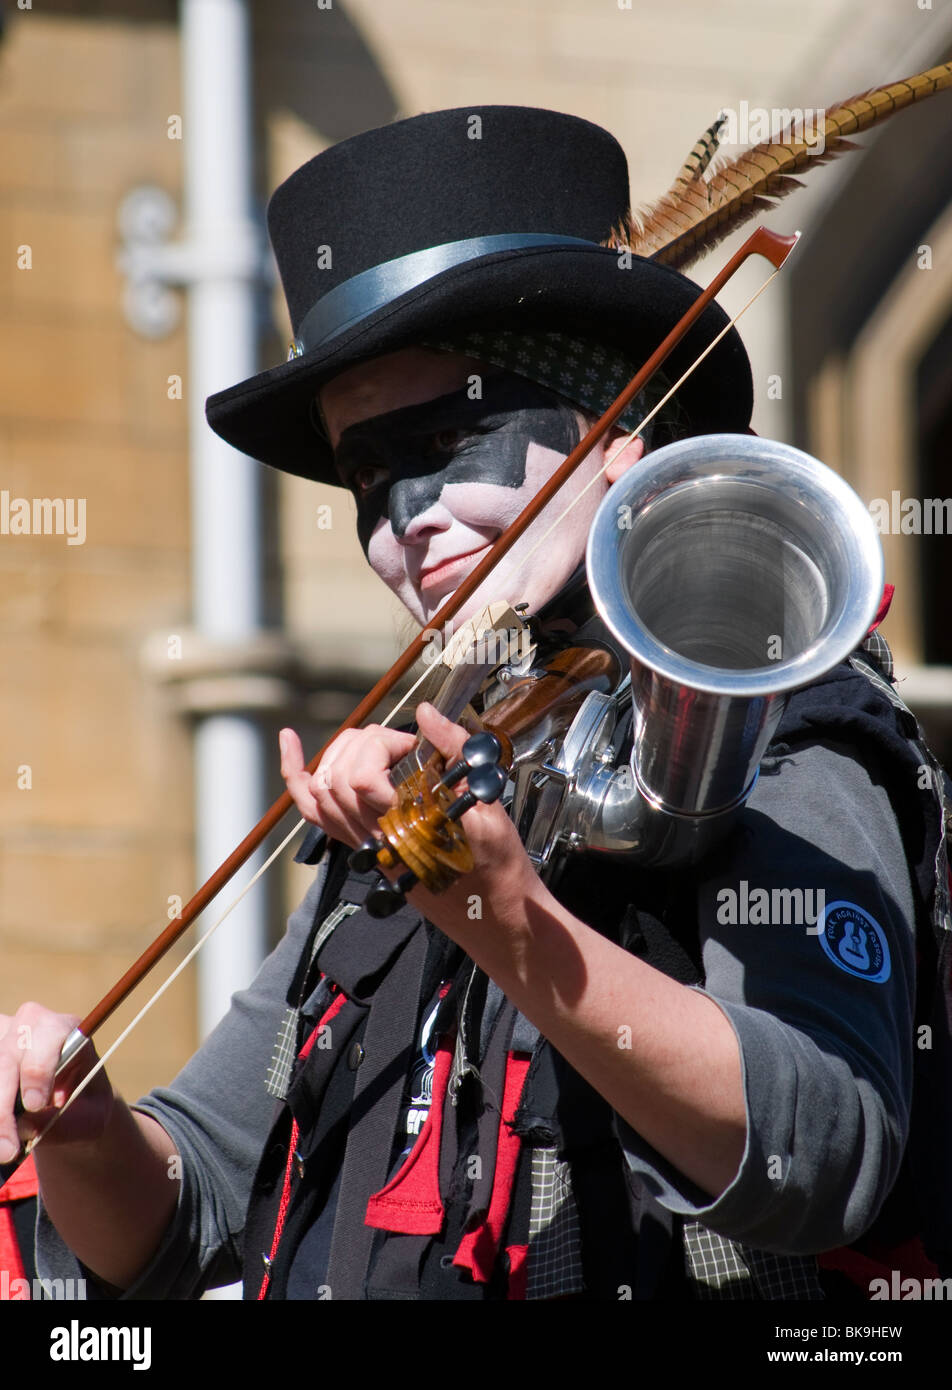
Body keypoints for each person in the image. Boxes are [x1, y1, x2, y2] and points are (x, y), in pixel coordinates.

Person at [0, 105, 926, 1301]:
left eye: (451, 439)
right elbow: (187, 1211)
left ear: (615, 437)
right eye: (368, 475)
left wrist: (507, 921)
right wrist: (81, 1130)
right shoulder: (424, 786)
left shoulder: (778, 715)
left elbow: (825, 1153)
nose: (405, 519)